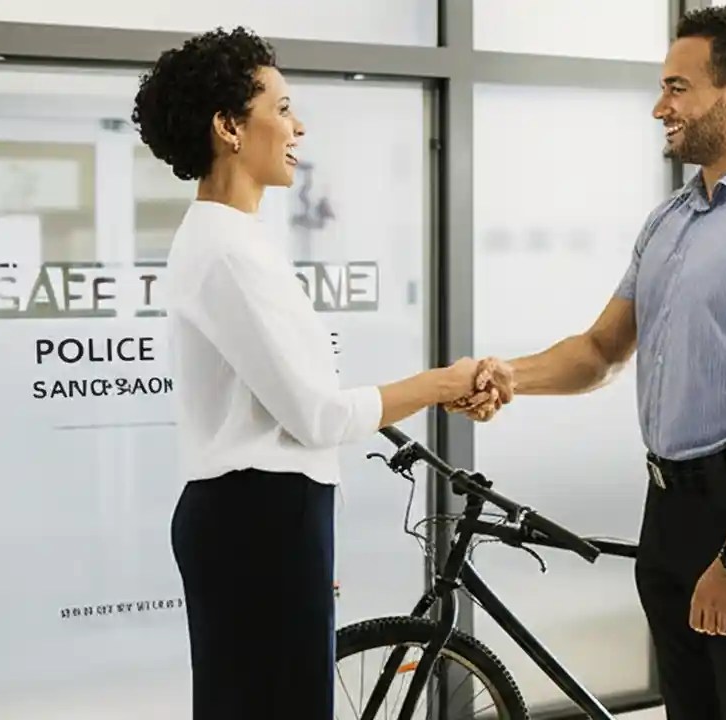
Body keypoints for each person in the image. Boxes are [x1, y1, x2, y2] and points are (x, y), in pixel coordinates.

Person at [448, 6, 726, 719]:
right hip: (670, 508)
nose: (659, 107)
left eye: (677, 87)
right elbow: (600, 351)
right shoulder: (671, 219)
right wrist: (509, 375)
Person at [131, 27, 487, 719]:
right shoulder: (228, 250)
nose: (299, 125)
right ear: (229, 127)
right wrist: (445, 383)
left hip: (255, 514)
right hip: (260, 516)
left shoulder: (226, 239)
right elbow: (319, 415)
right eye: (283, 107)